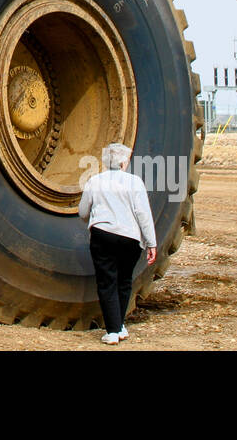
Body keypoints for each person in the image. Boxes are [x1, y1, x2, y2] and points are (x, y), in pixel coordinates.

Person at [78, 142, 157, 345]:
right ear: (123, 162)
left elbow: (82, 212)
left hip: (103, 234)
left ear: (106, 161)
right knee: (124, 281)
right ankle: (119, 327)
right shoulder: (135, 182)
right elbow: (143, 215)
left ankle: (112, 331)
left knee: (107, 282)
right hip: (130, 237)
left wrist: (95, 218)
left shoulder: (94, 181)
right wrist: (151, 243)